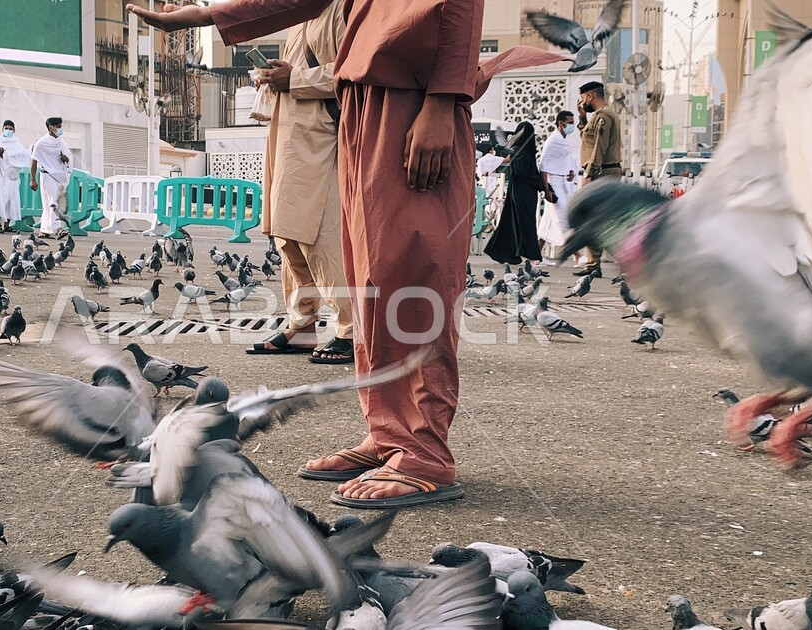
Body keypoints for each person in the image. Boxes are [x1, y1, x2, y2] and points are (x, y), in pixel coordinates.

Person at [130, 0, 480, 507]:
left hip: (413, 94)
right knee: (370, 277)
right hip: (364, 101)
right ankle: (390, 433)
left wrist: (443, 100)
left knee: (414, 272)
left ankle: (425, 450)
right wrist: (204, 18)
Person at [244, 0, 354, 365]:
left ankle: (351, 330)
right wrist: (271, 77)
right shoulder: (301, 13)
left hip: (320, 136)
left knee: (318, 234)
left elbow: (356, 72)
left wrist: (294, 79)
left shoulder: (346, 7)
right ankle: (303, 323)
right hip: (288, 131)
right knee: (285, 231)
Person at [574, 81, 622, 278]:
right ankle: (593, 264)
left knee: (602, 220)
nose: (582, 101)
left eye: (584, 97)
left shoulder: (603, 116)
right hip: (603, 172)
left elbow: (598, 148)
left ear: (590, 96)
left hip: (602, 173)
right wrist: (582, 118)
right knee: (594, 220)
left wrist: (589, 174)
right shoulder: (599, 116)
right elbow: (590, 140)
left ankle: (626, 263)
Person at [483, 121, 545, 265]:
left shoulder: (523, 151)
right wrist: (540, 184)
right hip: (523, 193)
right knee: (526, 223)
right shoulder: (520, 151)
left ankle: (505, 252)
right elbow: (523, 173)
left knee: (515, 223)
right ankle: (533, 256)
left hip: (522, 192)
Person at [537, 110, 579, 255]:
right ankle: (577, 255)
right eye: (570, 123)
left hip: (565, 182)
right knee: (563, 216)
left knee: (547, 222)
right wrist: (546, 190)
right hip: (553, 183)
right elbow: (543, 166)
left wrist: (570, 171)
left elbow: (564, 160)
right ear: (561, 123)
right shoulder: (552, 141)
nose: (573, 126)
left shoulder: (566, 140)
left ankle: (536, 255)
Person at [30, 117, 73, 239]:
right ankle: (57, 228)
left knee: (48, 204)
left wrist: (66, 159)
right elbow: (34, 162)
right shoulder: (41, 143)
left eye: (60, 126)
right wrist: (33, 179)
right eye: (58, 126)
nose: (60, 129)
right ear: (51, 127)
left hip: (59, 176)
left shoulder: (61, 142)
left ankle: (44, 230)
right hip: (48, 175)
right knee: (54, 202)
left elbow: (68, 156)